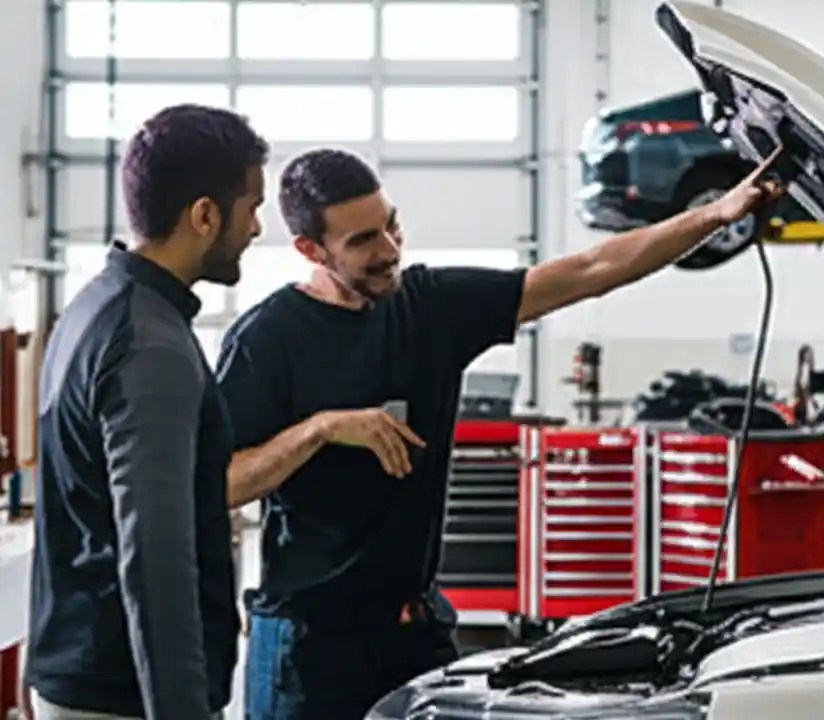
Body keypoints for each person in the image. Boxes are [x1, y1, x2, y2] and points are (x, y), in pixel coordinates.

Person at [216, 146, 784, 719]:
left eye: (391, 226)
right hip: (307, 646)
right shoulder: (267, 342)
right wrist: (320, 429)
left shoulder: (433, 306)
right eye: (362, 241)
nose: (388, 251)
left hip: (413, 633)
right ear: (310, 250)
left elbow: (592, 270)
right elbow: (219, 485)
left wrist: (715, 214)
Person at [23, 104, 269, 720]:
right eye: (251, 207)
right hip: (122, 697)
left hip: (84, 675)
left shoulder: (99, 306)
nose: (258, 228)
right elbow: (155, 559)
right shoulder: (149, 345)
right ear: (205, 216)